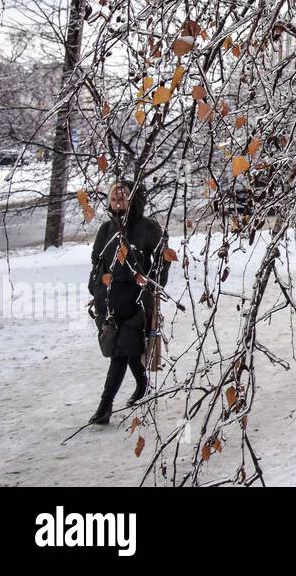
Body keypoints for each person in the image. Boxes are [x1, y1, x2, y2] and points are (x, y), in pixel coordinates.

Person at [87, 179, 170, 425]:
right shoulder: (105, 230)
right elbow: (97, 263)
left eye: (122, 198)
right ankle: (143, 384)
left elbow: (163, 259)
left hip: (135, 302)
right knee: (126, 349)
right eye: (114, 198)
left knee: (121, 353)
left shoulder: (147, 228)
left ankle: (104, 407)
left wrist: (151, 285)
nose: (118, 202)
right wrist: (95, 289)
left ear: (133, 199)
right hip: (109, 303)